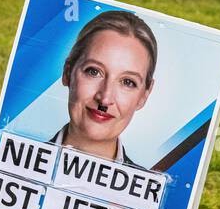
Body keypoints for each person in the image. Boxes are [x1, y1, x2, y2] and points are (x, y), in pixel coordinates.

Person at [50, 9, 157, 166]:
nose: (105, 99)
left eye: (127, 82)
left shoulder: (156, 190)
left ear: (144, 96)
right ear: (68, 72)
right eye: (93, 72)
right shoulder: (1, 162)